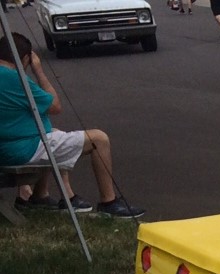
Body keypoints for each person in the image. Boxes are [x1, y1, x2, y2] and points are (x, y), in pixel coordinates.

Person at [0, 33, 144, 218]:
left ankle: (39, 197)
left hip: (9, 144)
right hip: (20, 150)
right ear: (26, 58)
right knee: (98, 139)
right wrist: (38, 71)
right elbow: (54, 106)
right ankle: (109, 202)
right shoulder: (15, 79)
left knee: (54, 134)